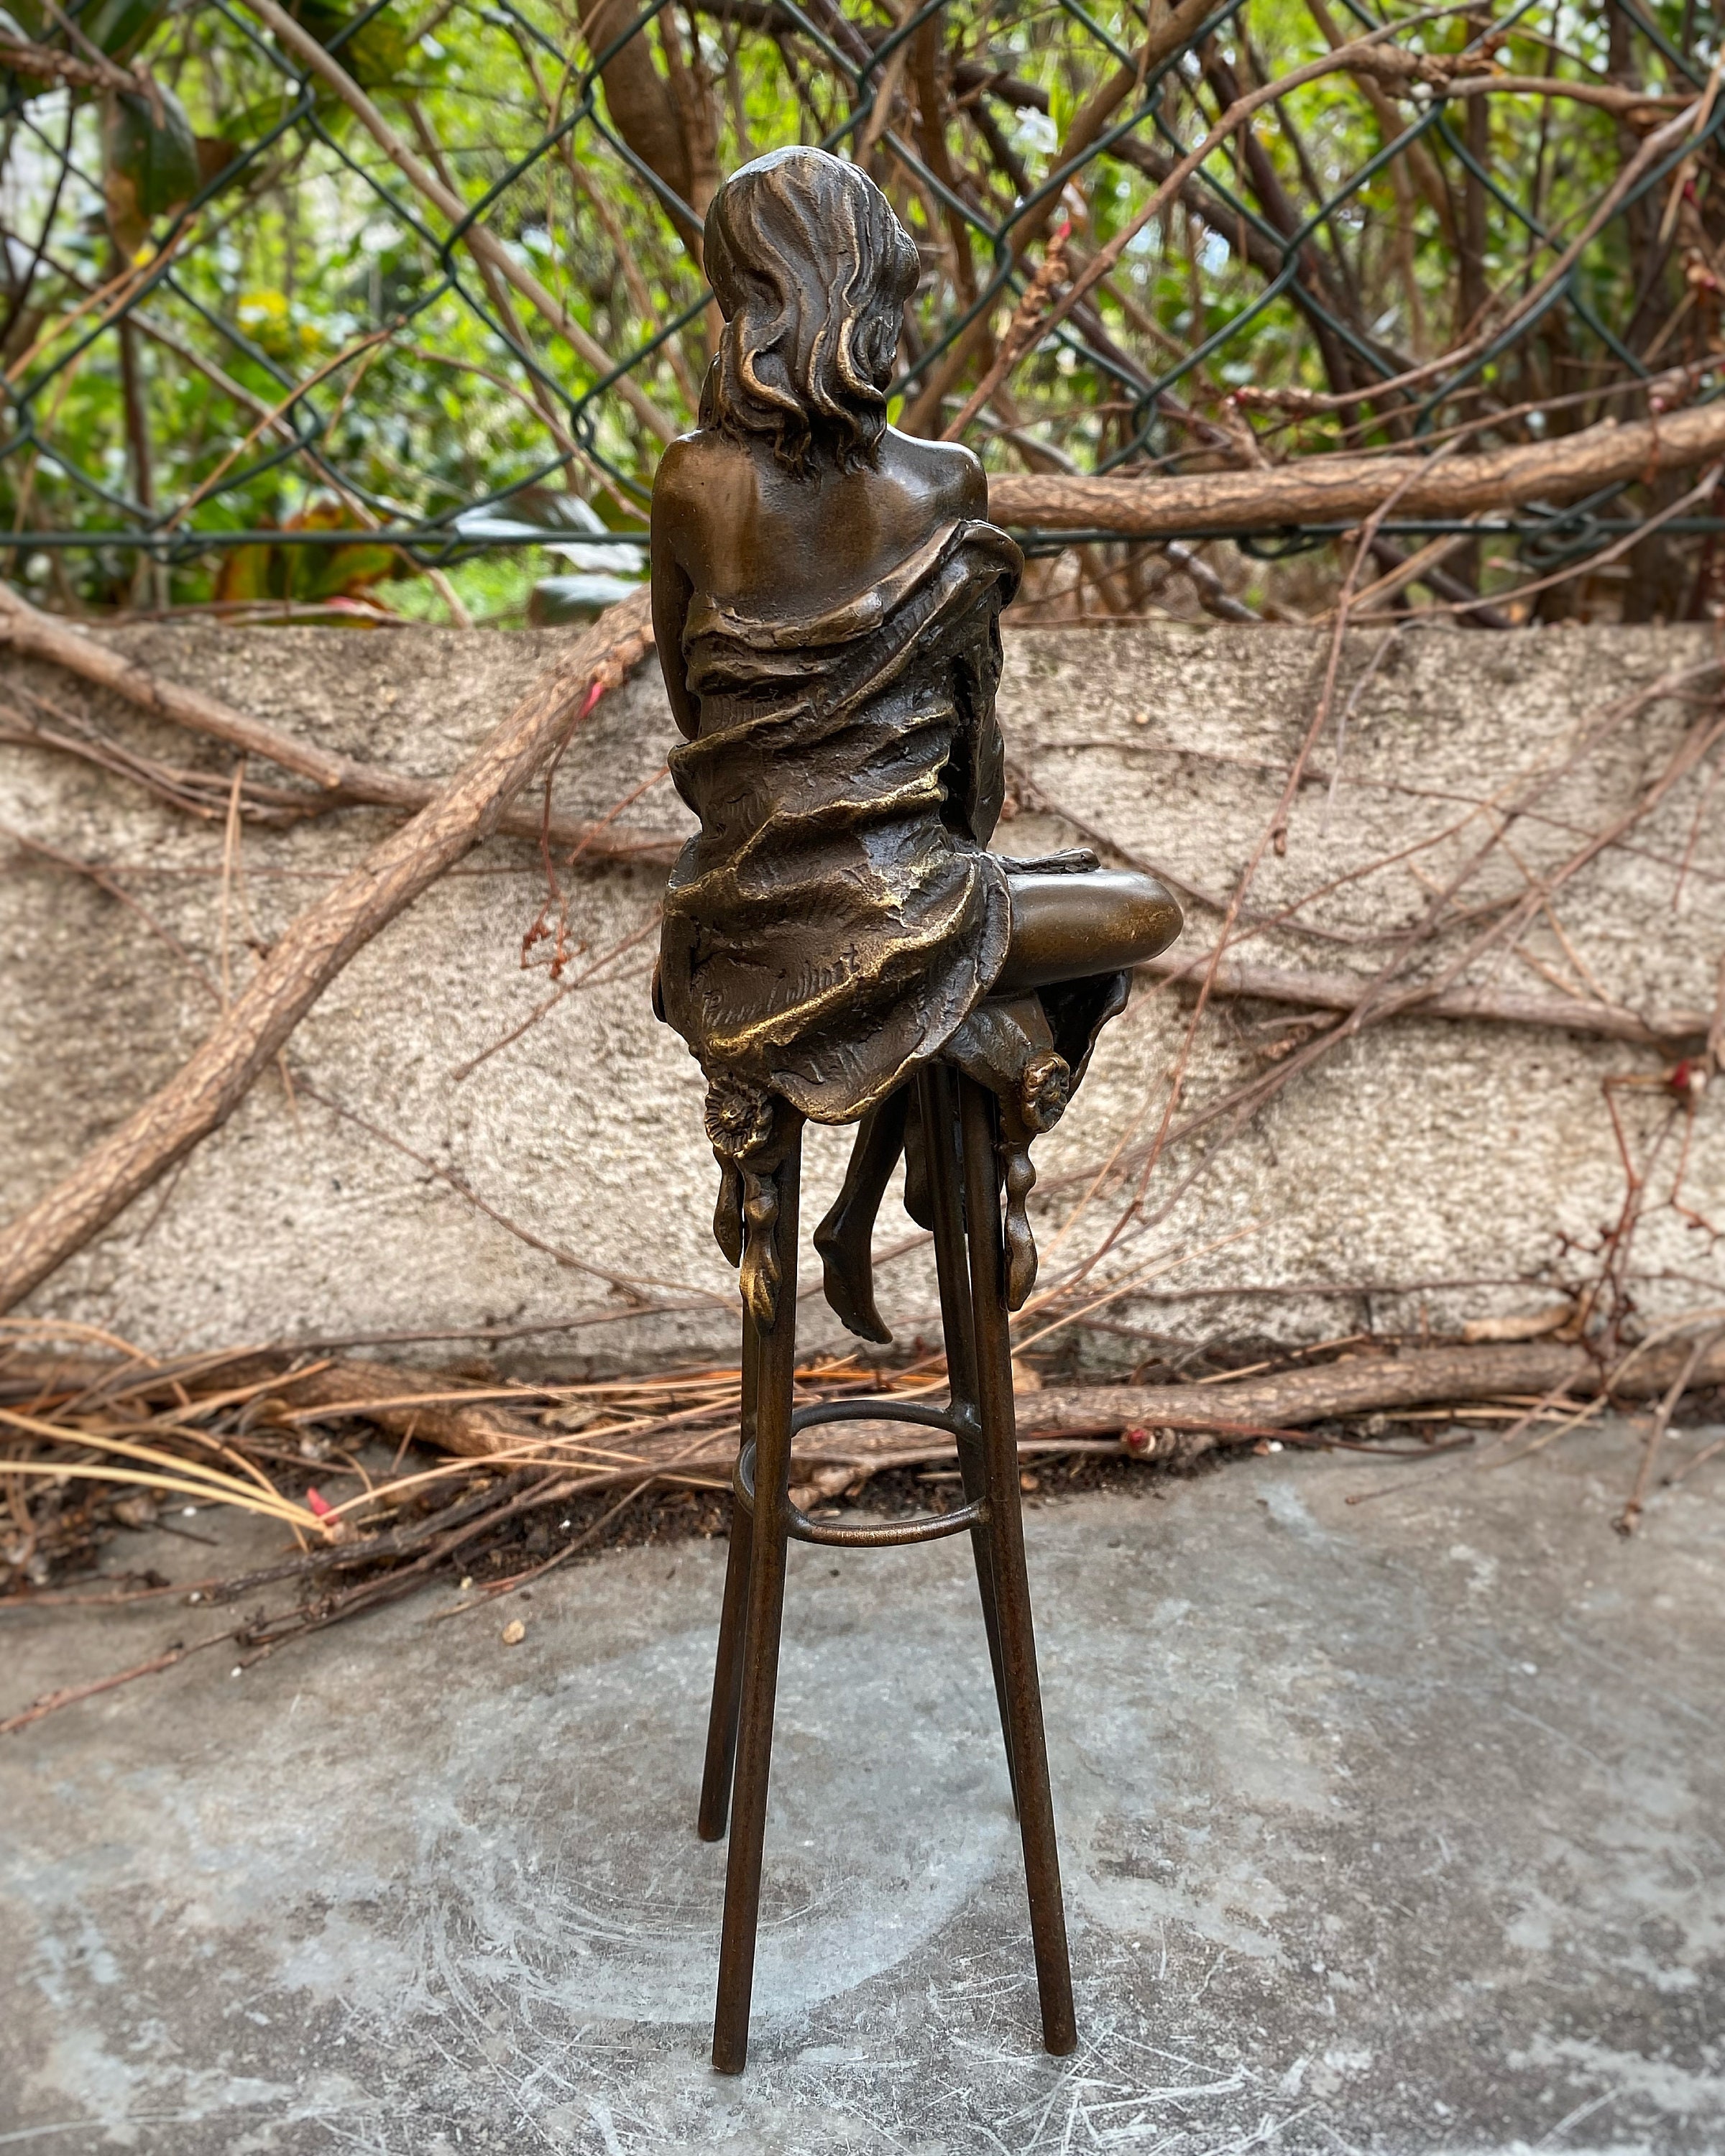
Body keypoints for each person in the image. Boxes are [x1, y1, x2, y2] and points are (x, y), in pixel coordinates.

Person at [650, 144, 1180, 1328]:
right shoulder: (944, 483)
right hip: (909, 893)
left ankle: (873, 1192)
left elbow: (695, 714)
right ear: (867, 284)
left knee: (986, 923)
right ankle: (958, 1154)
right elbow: (972, 758)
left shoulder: (690, 482)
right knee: (1129, 910)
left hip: (738, 916)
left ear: (749, 299)